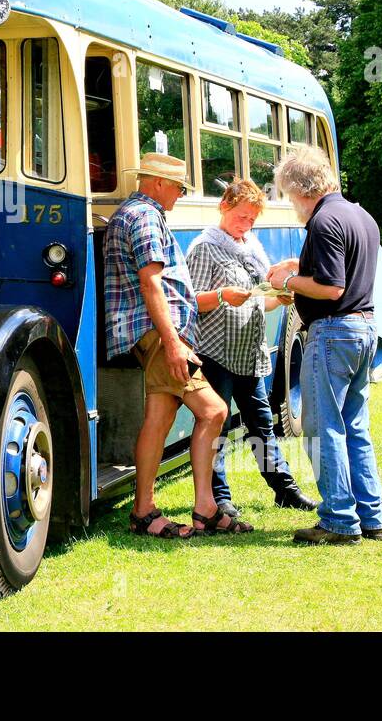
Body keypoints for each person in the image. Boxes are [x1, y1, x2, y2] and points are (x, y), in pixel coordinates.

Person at [104, 152, 252, 538]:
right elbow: (152, 283)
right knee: (214, 411)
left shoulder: (136, 214)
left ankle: (151, 512)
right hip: (159, 335)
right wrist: (172, 343)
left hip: (156, 333)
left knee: (161, 418)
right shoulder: (145, 216)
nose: (180, 195)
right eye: (178, 187)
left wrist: (217, 297)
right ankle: (179, 508)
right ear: (157, 183)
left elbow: (166, 287)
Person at [266, 146, 382, 545]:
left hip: (334, 332)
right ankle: (371, 517)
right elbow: (347, 271)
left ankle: (338, 519)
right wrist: (299, 268)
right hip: (365, 329)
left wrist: (286, 282)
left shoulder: (323, 221)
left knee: (322, 430)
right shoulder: (360, 215)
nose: (291, 206)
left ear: (300, 190)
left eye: (288, 196)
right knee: (355, 427)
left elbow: (332, 287)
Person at [186, 179, 317, 517]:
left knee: (262, 424)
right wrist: (221, 296)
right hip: (216, 352)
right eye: (241, 217)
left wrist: (277, 297)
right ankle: (219, 497)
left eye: (251, 220)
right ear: (223, 207)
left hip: (250, 352)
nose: (245, 225)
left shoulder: (252, 245)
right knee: (218, 426)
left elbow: (262, 302)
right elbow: (190, 304)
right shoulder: (204, 247)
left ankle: (285, 491)